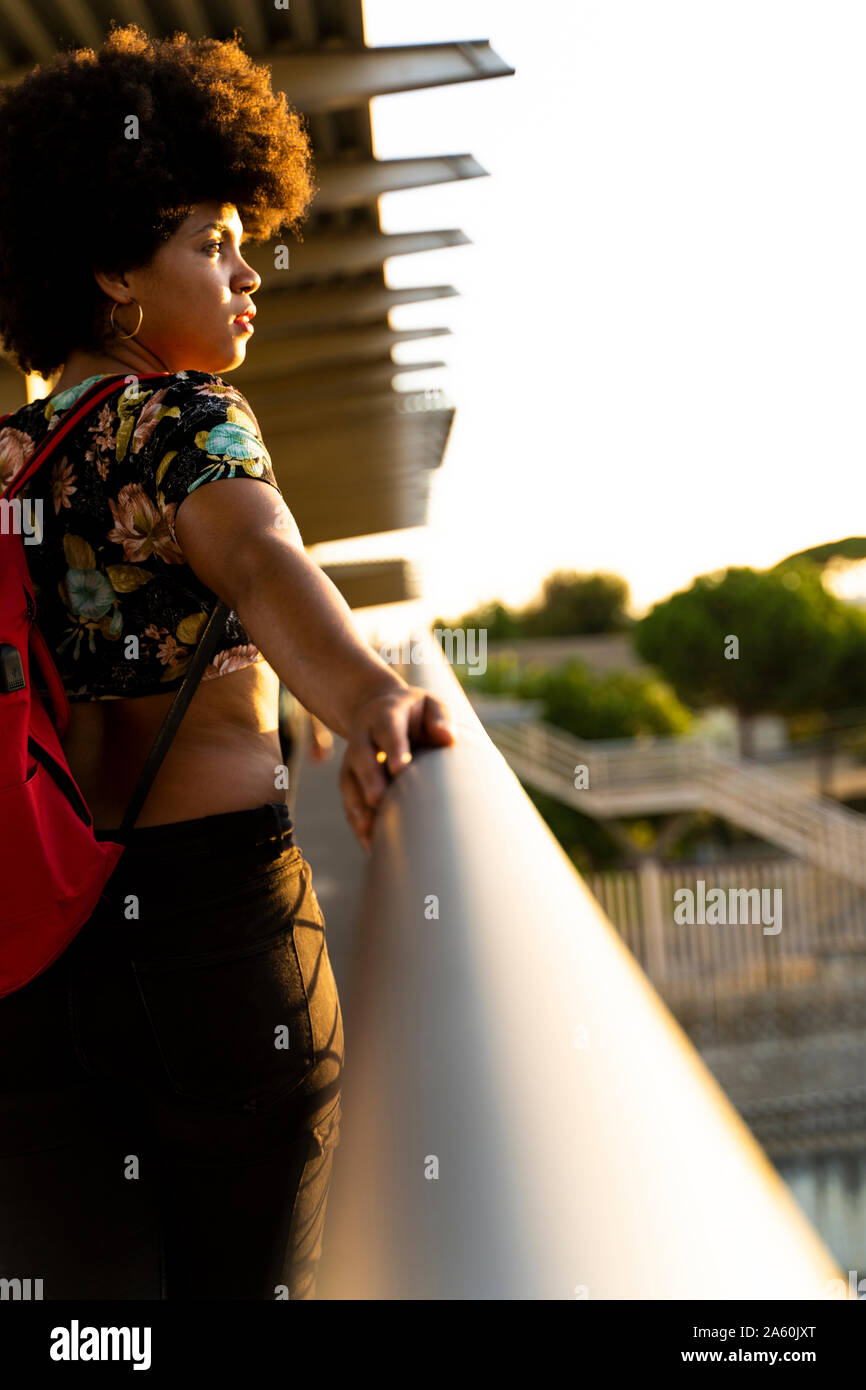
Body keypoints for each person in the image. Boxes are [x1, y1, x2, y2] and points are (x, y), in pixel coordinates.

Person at [0, 24, 455, 1301]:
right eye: (211, 242)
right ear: (110, 270)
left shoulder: (4, 460)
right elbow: (259, 563)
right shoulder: (182, 418)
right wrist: (368, 694)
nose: (249, 272)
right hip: (207, 935)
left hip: (35, 954)